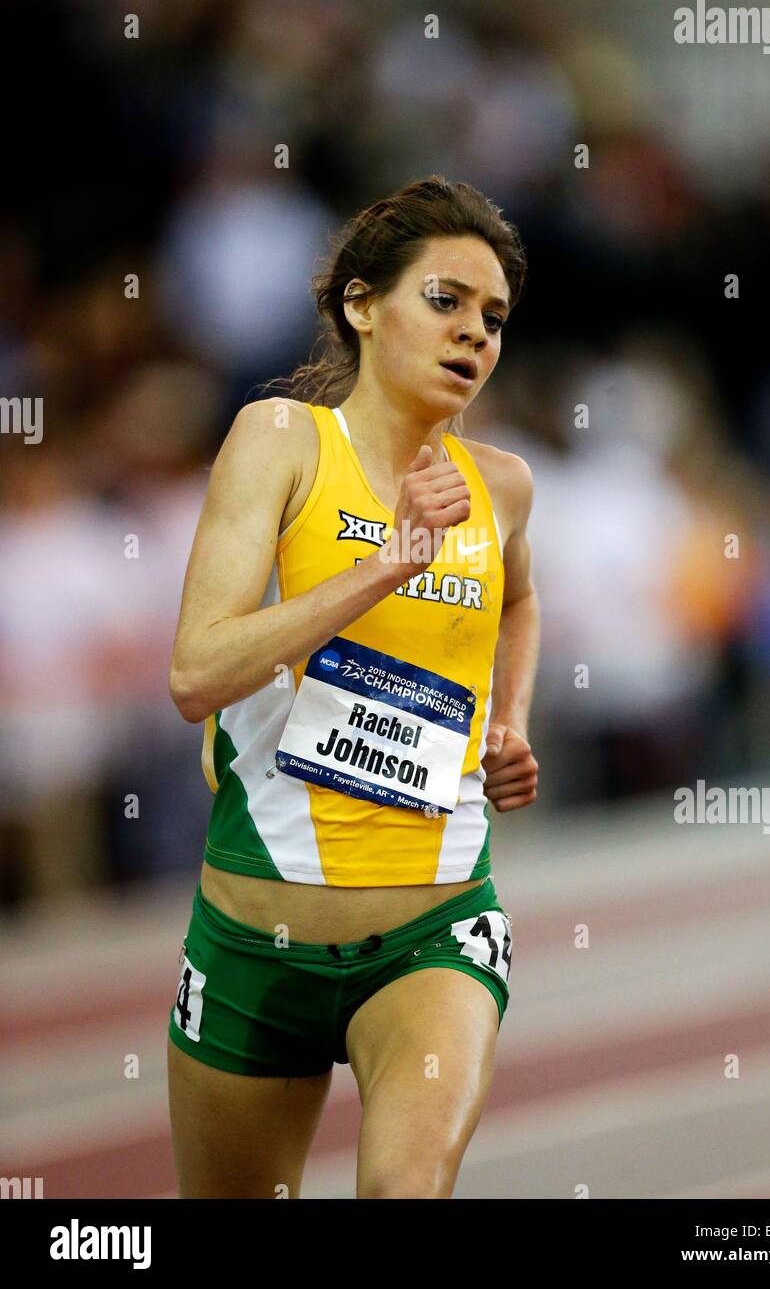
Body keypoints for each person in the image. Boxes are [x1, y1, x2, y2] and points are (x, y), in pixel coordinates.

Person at [166, 175, 540, 1199]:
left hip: (432, 932)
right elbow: (197, 673)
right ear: (360, 305)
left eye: (493, 317)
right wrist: (386, 561)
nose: (474, 332)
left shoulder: (500, 484)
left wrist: (507, 722)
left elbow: (517, 603)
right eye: (446, 300)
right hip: (253, 944)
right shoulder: (280, 439)